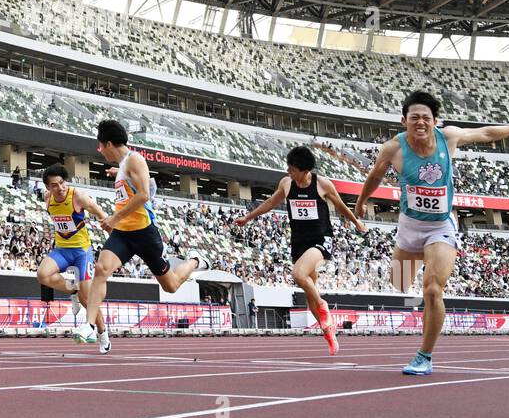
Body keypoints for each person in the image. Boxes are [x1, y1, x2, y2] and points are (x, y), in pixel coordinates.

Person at [354, 91, 509, 375]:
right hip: (409, 227)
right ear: (404, 121)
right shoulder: (393, 149)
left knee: (433, 290)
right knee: (399, 284)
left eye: (426, 118)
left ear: (436, 121)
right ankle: (417, 270)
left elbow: (486, 134)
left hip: (440, 226)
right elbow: (375, 175)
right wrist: (361, 203)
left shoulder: (448, 138)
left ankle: (424, 355)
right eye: (415, 118)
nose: (421, 122)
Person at [74, 120, 208, 345]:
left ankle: (195, 261)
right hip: (123, 235)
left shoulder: (135, 159)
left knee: (171, 286)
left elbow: (145, 195)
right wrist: (120, 174)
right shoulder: (125, 166)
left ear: (107, 143)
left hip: (144, 234)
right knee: (101, 269)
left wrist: (114, 218)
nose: (99, 151)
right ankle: (89, 326)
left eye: (99, 146)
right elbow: (141, 185)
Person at [235, 146, 367, 355]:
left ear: (305, 170)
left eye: (292, 168)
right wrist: (248, 217)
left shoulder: (322, 184)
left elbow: (341, 206)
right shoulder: (286, 184)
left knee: (299, 274)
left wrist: (356, 222)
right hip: (299, 242)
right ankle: (328, 331)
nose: (288, 171)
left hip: (321, 239)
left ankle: (323, 305)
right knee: (309, 294)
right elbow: (270, 202)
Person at [39, 164, 109, 352]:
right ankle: (73, 289)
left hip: (81, 251)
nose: (60, 188)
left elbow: (99, 212)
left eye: (62, 183)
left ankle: (103, 334)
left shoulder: (77, 196)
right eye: (54, 185)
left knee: (88, 300)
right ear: (48, 188)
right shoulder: (47, 199)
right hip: (62, 249)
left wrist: (110, 228)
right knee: (43, 275)